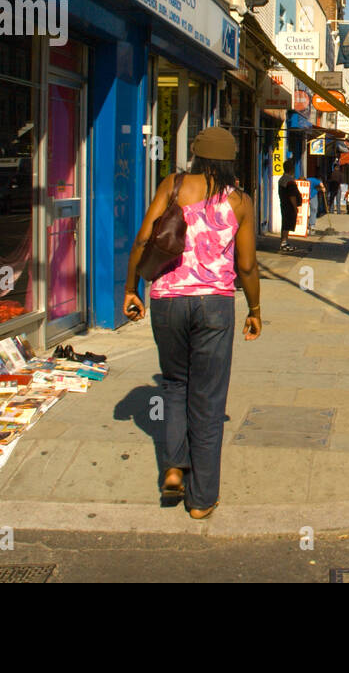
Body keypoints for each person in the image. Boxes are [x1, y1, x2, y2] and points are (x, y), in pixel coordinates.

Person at [124, 127, 261, 520]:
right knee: (209, 399)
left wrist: (130, 288)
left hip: (169, 301)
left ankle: (172, 466)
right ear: (230, 158)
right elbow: (247, 265)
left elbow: (142, 239)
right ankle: (201, 500)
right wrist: (255, 308)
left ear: (197, 155)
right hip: (215, 306)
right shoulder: (240, 201)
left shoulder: (174, 184)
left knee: (174, 384)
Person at [277, 161, 300, 252]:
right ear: (291, 169)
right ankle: (284, 242)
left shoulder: (282, 179)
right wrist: (295, 207)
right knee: (287, 224)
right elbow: (292, 196)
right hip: (289, 206)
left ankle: (284, 242)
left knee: (285, 223)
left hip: (284, 204)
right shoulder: (289, 181)